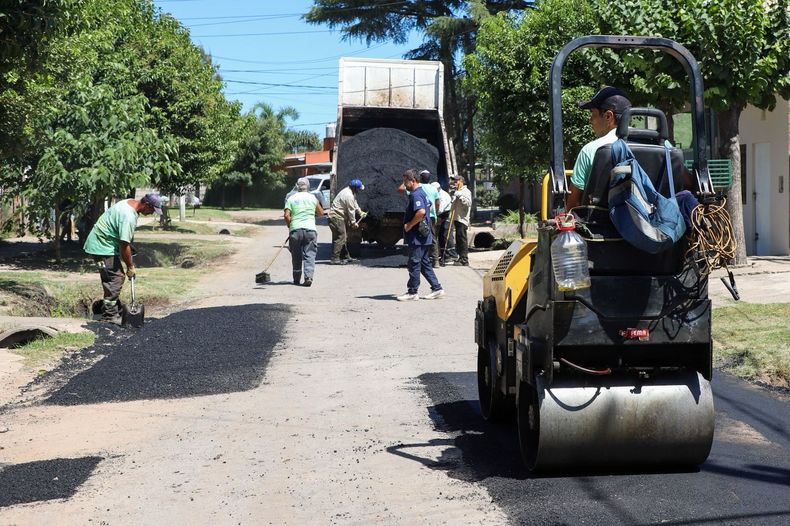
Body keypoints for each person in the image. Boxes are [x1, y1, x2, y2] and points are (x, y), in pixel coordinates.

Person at [83, 193, 163, 324]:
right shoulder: (128, 216)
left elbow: (121, 237)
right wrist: (130, 266)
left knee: (110, 277)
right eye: (152, 210)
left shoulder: (130, 202)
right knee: (116, 277)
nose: (151, 213)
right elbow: (124, 244)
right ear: (146, 205)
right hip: (101, 247)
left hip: (101, 244)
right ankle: (109, 315)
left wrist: (128, 247)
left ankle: (106, 308)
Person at [566, 86, 632, 210]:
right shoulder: (664, 147)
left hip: (600, 227)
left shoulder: (591, 150)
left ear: (608, 116)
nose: (590, 120)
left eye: (593, 113)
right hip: (651, 227)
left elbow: (573, 206)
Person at [397, 169, 444, 301]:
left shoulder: (416, 195)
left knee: (414, 263)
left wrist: (409, 225)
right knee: (424, 264)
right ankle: (437, 288)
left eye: (405, 181)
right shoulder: (420, 192)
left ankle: (412, 292)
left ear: (413, 181)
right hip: (424, 235)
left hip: (417, 236)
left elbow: (421, 212)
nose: (404, 184)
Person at [284, 176, 324, 286]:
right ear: (308, 187)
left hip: (295, 230)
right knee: (310, 254)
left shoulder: (291, 198)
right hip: (310, 230)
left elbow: (287, 215)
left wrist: (290, 226)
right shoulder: (313, 198)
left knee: (296, 255)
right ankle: (308, 277)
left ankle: (296, 279)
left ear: (297, 186)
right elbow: (321, 213)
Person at [328, 178, 365, 265]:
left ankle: (345, 256)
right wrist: (353, 222)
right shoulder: (348, 196)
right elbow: (351, 210)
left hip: (337, 217)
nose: (359, 190)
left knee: (342, 237)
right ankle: (334, 258)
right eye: (359, 188)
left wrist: (360, 212)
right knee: (341, 237)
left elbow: (354, 203)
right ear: (355, 188)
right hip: (336, 218)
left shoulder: (350, 192)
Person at [418, 170, 441, 267]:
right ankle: (436, 260)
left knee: (419, 237)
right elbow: (438, 202)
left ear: (420, 178)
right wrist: (435, 213)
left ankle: (421, 259)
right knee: (432, 237)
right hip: (431, 217)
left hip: (419, 215)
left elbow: (403, 190)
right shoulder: (434, 189)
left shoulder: (417, 187)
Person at [432, 181, 457, 264]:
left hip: (446, 215)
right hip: (441, 215)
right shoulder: (437, 194)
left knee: (446, 234)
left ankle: (451, 255)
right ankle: (443, 254)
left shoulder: (443, 195)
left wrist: (434, 216)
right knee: (441, 234)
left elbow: (440, 209)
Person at [451, 175, 472, 266]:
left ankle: (464, 259)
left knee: (462, 239)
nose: (454, 182)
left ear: (461, 181)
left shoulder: (466, 191)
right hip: (456, 218)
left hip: (462, 219)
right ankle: (460, 257)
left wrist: (461, 196)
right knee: (458, 239)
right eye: (454, 181)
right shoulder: (457, 191)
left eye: (456, 181)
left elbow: (468, 203)